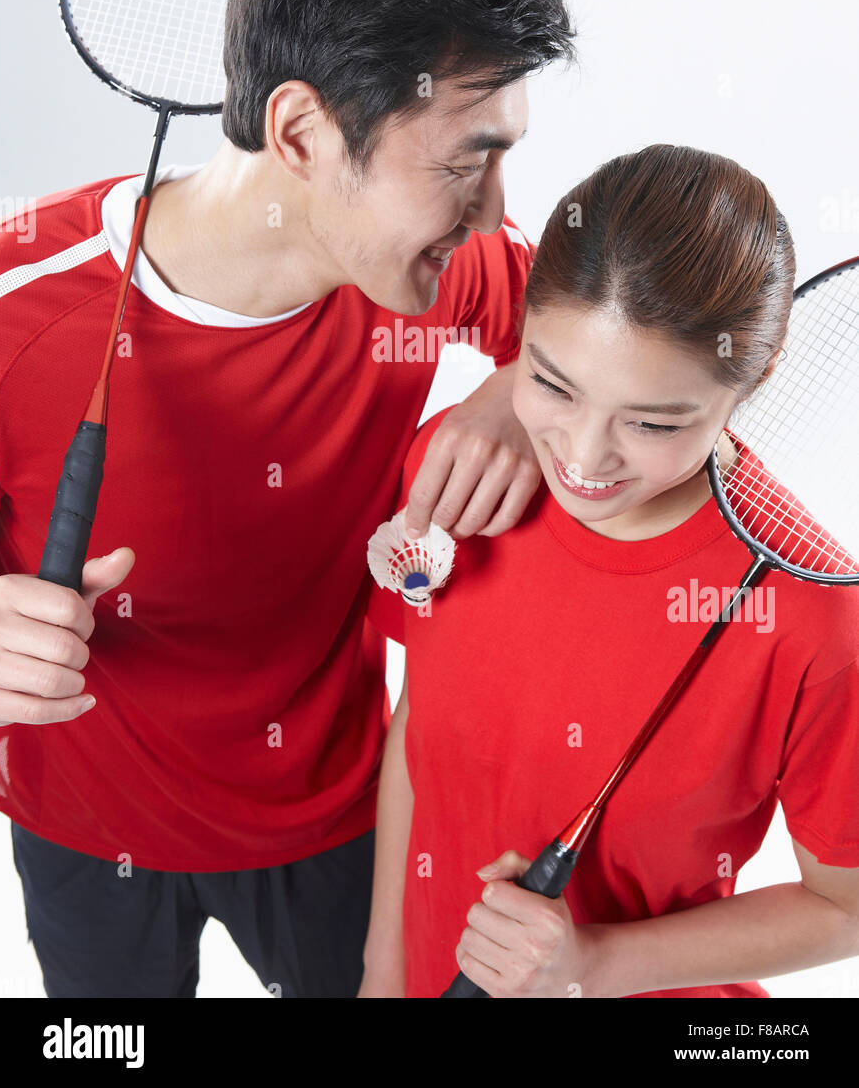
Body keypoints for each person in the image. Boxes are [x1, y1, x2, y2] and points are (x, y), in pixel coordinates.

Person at [0, 0, 575, 998]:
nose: (497, 210)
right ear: (302, 131)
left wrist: (520, 386)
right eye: (465, 156)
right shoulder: (19, 306)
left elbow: (642, 343)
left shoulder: (427, 265)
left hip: (330, 818)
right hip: (80, 830)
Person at [360, 143, 859, 999]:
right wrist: (382, 973)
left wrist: (594, 963)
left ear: (756, 376)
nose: (584, 459)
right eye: (554, 385)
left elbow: (846, 906)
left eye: (654, 424)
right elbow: (419, 720)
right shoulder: (460, 477)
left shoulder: (817, 615)